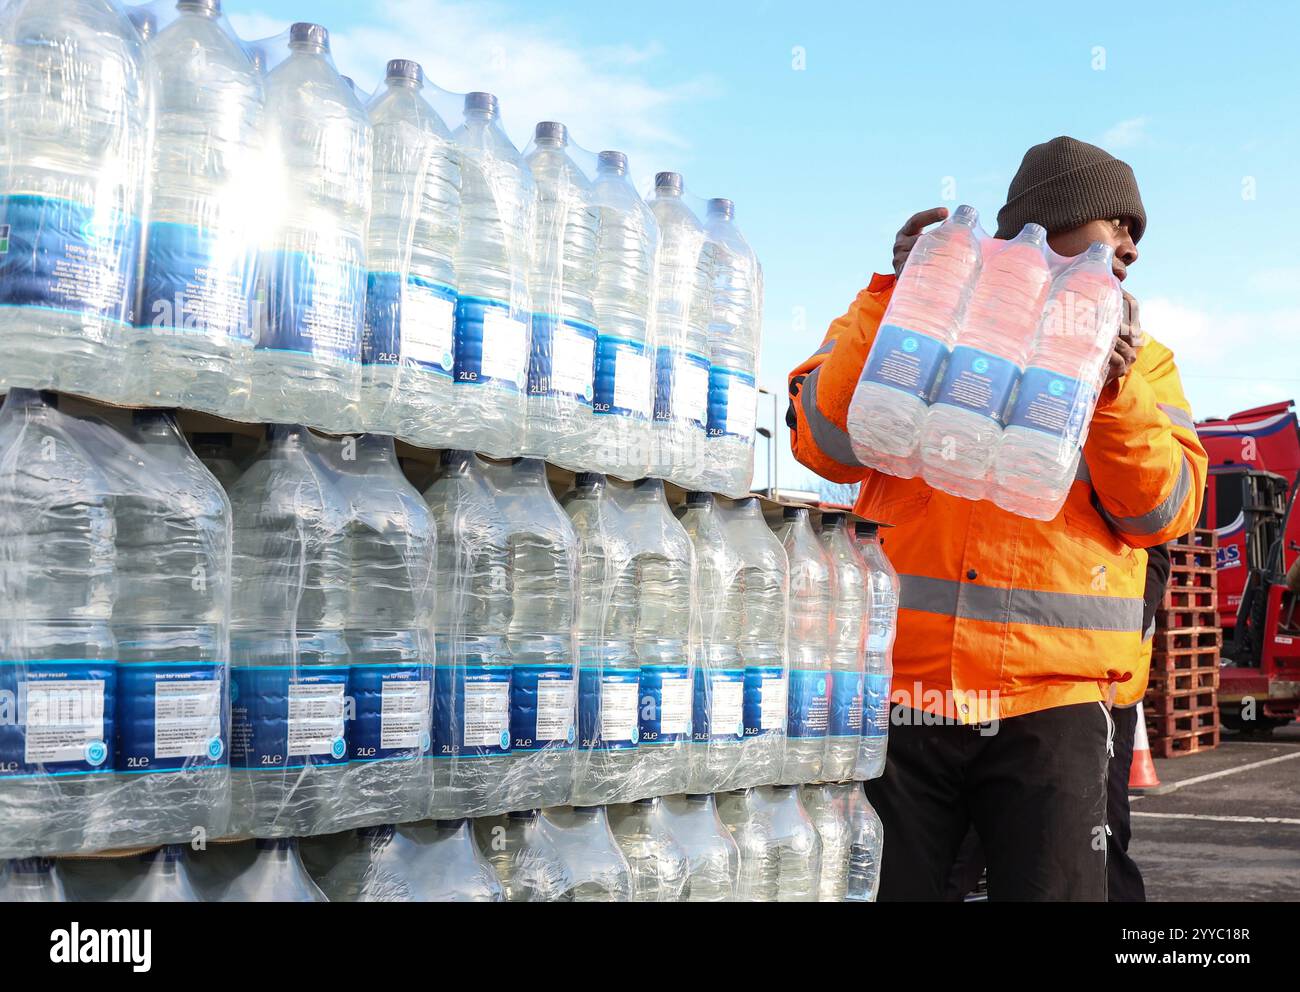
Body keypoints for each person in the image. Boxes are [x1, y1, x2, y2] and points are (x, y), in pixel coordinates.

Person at [787, 136, 1208, 901]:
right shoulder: (923, 317)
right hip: (905, 695)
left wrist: (1112, 396)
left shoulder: (1143, 363)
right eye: (1119, 224)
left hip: (1054, 702)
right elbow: (825, 440)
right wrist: (896, 290)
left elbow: (1164, 510)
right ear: (1056, 221)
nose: (1133, 249)